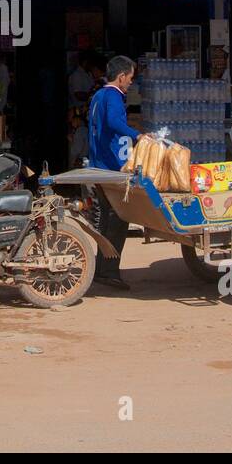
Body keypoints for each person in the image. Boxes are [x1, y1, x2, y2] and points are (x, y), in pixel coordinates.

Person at [87, 55, 140, 291]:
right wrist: (137, 135)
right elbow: (113, 123)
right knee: (118, 220)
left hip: (98, 164)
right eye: (130, 78)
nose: (130, 83)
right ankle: (109, 271)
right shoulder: (114, 96)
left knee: (106, 219)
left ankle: (101, 269)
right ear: (121, 77)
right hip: (111, 168)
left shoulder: (98, 95)